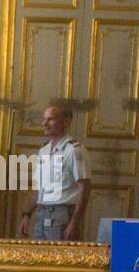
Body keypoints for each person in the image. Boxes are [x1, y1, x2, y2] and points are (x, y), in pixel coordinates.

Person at [20, 100, 92, 241]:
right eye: (44, 119)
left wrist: (74, 222)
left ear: (66, 122)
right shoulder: (44, 151)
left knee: (61, 260)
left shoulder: (74, 150)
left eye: (50, 119)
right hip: (42, 214)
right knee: (39, 259)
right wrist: (27, 214)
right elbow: (40, 189)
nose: (44, 123)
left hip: (63, 216)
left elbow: (85, 188)